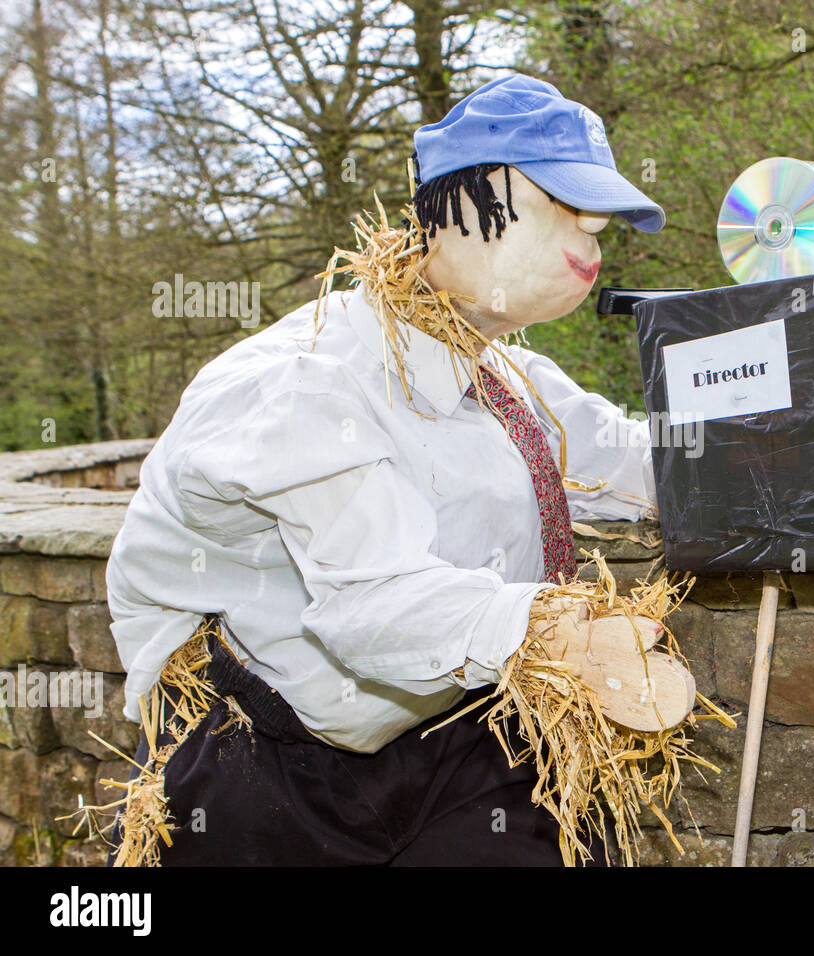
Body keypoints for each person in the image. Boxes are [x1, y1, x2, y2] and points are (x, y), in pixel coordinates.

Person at [104, 73, 683, 865]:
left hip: (459, 726)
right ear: (474, 201)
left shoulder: (510, 378)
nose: (594, 237)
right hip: (272, 756)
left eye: (602, 217)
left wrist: (787, 453)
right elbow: (370, 600)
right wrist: (552, 630)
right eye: (569, 205)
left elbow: (631, 460)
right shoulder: (311, 380)